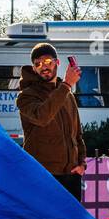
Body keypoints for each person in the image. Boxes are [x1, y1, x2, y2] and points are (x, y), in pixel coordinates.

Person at [16, 42, 87, 200]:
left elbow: (77, 135)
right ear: (33, 68)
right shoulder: (26, 96)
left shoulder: (67, 95)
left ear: (57, 62)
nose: (43, 66)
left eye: (47, 61)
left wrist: (82, 164)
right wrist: (67, 84)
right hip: (42, 175)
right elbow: (42, 117)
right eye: (38, 64)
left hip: (71, 175)